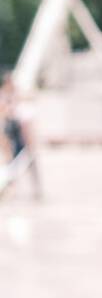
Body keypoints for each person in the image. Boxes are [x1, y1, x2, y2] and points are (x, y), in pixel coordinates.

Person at [0, 70, 43, 201]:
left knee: (27, 162)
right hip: (11, 134)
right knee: (12, 164)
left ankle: (34, 189)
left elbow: (29, 99)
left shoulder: (15, 97)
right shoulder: (4, 99)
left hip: (19, 135)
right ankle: (9, 188)